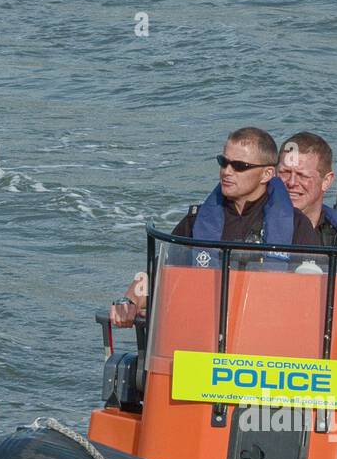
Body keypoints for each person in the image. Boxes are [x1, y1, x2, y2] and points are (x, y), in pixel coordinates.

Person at [110, 127, 319, 326]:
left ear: (267, 174)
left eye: (239, 166)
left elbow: (316, 292)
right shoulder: (196, 221)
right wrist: (128, 302)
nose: (227, 172)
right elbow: (157, 272)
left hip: (269, 335)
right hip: (203, 334)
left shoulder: (296, 225)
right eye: (223, 162)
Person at [277, 132, 337, 248]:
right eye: (284, 172)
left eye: (302, 175)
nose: (291, 182)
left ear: (326, 181)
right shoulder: (253, 224)